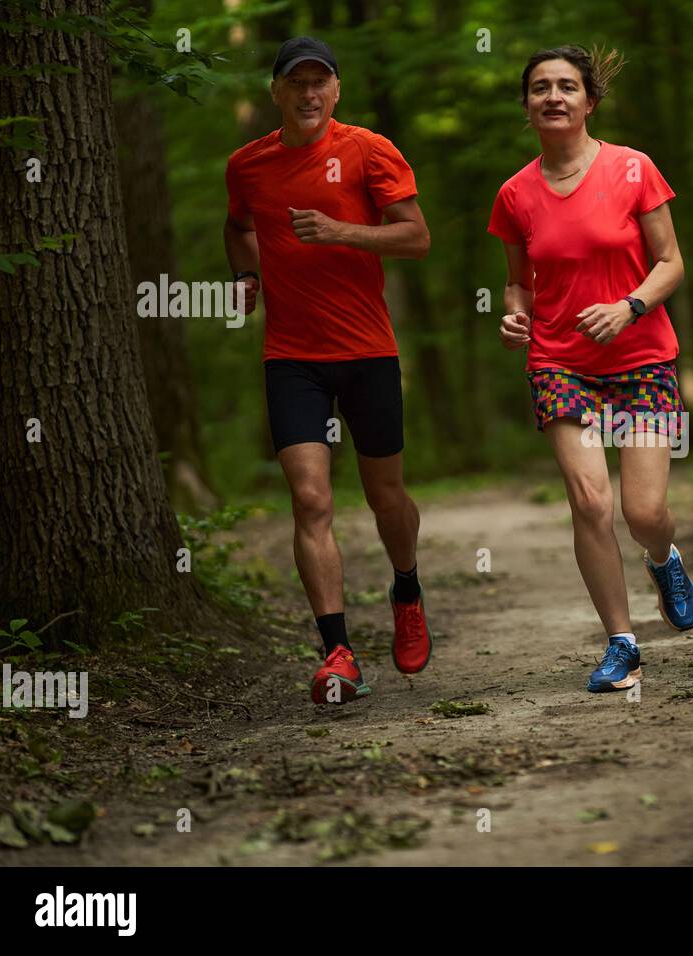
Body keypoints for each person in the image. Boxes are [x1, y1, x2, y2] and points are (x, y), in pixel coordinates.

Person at [224, 36, 433, 703]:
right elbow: (237, 226)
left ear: (335, 91)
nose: (309, 93)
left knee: (386, 498)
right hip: (291, 356)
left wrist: (343, 232)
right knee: (311, 499)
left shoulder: (369, 149)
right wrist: (246, 275)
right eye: (296, 83)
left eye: (321, 82)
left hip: (368, 350)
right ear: (276, 91)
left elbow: (416, 237)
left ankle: (406, 588)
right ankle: (338, 652)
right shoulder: (248, 165)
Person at [488, 45, 693, 693]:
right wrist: (514, 315)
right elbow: (518, 284)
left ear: (590, 100)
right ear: (526, 105)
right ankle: (622, 643)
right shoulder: (515, 195)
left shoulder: (633, 169)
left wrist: (629, 306)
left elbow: (671, 263)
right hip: (559, 361)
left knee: (643, 511)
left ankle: (664, 559)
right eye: (540, 88)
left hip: (640, 355)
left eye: (566, 86)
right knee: (590, 500)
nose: (553, 96)